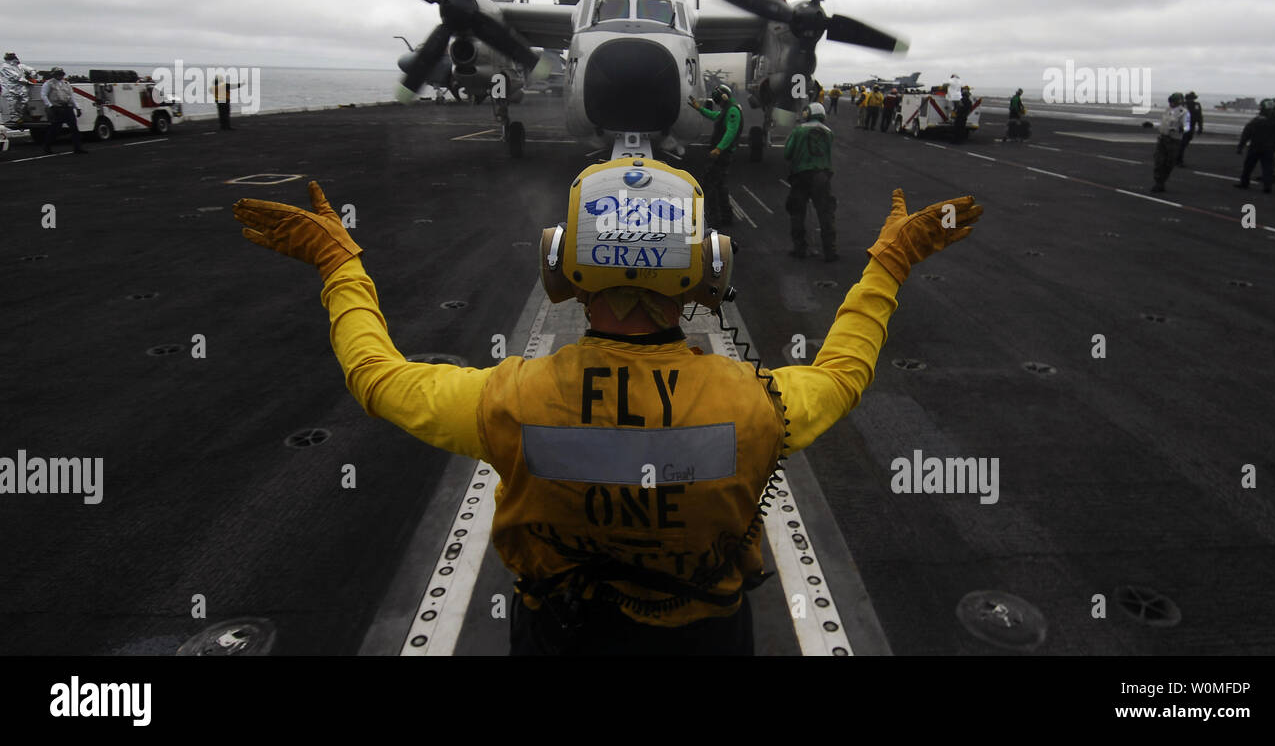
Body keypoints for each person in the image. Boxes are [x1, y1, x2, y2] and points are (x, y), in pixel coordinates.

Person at [231, 165, 983, 655]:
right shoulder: (759, 406)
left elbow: (377, 376)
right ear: (706, 272)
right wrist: (891, 261)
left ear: (562, 266)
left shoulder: (510, 400)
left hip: (560, 637)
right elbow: (844, 371)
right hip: (704, 642)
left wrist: (340, 263)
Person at [784, 101, 837, 261]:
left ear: (808, 113)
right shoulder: (829, 132)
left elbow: (787, 154)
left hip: (801, 176)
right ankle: (830, 251)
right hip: (822, 176)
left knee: (797, 212)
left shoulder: (798, 130)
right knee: (826, 213)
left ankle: (800, 249)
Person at [689, 84, 742, 226]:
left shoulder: (732, 111)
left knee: (710, 185)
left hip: (722, 156)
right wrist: (699, 108)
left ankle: (714, 219)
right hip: (721, 155)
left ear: (723, 97)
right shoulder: (727, 110)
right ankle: (726, 216)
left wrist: (719, 149)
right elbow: (714, 116)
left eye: (717, 96)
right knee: (719, 185)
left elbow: (731, 132)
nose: (715, 99)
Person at [1236, 99, 1275, 193]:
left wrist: (1240, 146)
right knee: (1268, 168)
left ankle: (1244, 183)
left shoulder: (1256, 120)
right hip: (1269, 148)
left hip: (1255, 147)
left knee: (1248, 166)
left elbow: (1246, 134)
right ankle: (1267, 186)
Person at [40, 67, 87, 155]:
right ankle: (47, 146)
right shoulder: (48, 83)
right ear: (54, 75)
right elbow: (44, 95)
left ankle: (78, 148)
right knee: (55, 129)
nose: (60, 75)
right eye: (58, 74)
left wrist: (77, 107)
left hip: (67, 107)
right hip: (56, 108)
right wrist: (50, 106)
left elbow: (71, 96)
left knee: (74, 129)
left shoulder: (66, 83)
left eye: (61, 74)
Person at [1151, 92, 1188, 192]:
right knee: (1158, 161)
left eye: (1172, 101)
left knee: (1169, 162)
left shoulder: (1183, 112)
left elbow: (1186, 127)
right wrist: (1152, 125)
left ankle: (1161, 182)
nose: (1170, 103)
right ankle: (1158, 182)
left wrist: (1178, 129)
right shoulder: (1168, 110)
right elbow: (1163, 123)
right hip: (1163, 138)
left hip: (1173, 140)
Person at [2, 52, 38, 125]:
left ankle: (22, 117)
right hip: (10, 89)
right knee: (13, 104)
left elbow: (29, 69)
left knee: (24, 102)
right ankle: (15, 118)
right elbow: (16, 77)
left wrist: (33, 72)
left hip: (21, 88)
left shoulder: (19, 66)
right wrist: (28, 82)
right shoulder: (4, 67)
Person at [1177, 91, 1203, 166]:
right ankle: (1179, 160)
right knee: (1182, 144)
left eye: (1192, 98)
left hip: (1191, 126)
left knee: (1184, 143)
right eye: (1190, 98)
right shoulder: (1183, 105)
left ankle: (1178, 158)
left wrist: (1200, 127)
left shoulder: (1196, 105)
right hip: (1183, 126)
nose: (1191, 99)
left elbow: (1199, 117)